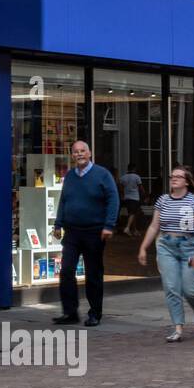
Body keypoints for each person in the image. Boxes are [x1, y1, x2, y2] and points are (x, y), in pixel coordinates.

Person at [138, 166, 194, 342]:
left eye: (178, 177)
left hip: (190, 247)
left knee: (189, 289)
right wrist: (143, 247)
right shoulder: (163, 200)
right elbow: (154, 226)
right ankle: (177, 328)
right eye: (172, 176)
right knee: (171, 288)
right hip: (166, 247)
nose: (174, 179)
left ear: (186, 181)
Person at [52, 140, 118, 327]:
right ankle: (70, 312)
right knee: (66, 271)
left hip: (94, 232)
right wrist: (58, 224)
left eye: (82, 151)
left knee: (93, 273)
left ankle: (95, 313)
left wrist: (109, 225)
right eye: (76, 152)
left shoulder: (102, 175)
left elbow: (113, 200)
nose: (79, 154)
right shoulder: (70, 176)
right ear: (72, 155)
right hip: (72, 232)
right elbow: (63, 200)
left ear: (89, 154)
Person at [118, 164, 144, 236]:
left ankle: (134, 230)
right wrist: (145, 195)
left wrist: (123, 194)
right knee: (133, 213)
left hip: (127, 198)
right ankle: (127, 228)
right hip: (135, 197)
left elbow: (120, 188)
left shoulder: (123, 177)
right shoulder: (136, 177)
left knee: (131, 214)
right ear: (134, 169)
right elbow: (141, 188)